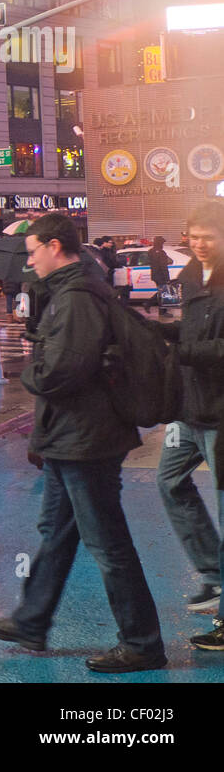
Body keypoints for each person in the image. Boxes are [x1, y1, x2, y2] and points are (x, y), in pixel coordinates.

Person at [0, 212, 166, 674]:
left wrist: (29, 371)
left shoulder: (78, 296)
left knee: (107, 543)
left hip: (88, 440)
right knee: (57, 534)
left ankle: (142, 641)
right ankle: (31, 621)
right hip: (70, 436)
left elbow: (64, 369)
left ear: (55, 247)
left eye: (33, 252)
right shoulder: (69, 292)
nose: (30, 262)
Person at [155, 203, 224, 648]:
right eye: (193, 235)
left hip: (221, 412)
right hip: (190, 407)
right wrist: (163, 336)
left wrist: (184, 351)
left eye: (209, 236)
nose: (198, 243)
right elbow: (192, 334)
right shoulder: (189, 277)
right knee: (169, 481)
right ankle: (214, 574)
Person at [149, 235, 173, 313]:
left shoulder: (150, 251)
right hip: (161, 276)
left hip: (155, 275)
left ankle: (160, 310)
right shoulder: (162, 253)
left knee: (161, 292)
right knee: (163, 293)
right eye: (162, 243)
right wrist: (167, 278)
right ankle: (161, 311)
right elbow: (164, 267)